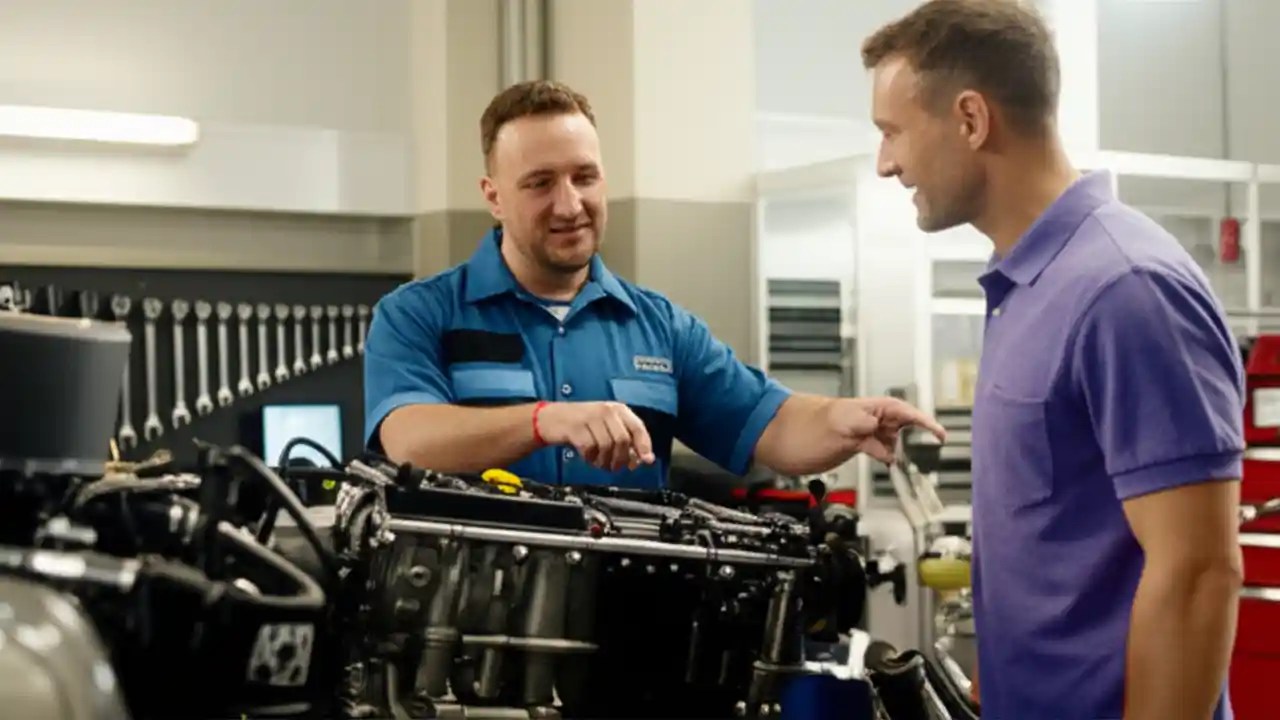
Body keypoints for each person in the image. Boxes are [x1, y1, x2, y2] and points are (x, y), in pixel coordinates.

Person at [862, 2, 1244, 719]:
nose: (887, 163)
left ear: (971, 119)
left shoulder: (1127, 289)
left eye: (892, 133)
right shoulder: (1025, 284)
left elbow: (1198, 573)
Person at [361, 79, 944, 491]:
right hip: (471, 644)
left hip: (629, 641)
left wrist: (841, 417)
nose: (569, 204)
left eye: (584, 177)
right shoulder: (419, 314)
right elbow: (410, 439)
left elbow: (771, 424)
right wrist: (544, 421)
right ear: (493, 196)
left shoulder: (659, 328)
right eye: (539, 183)